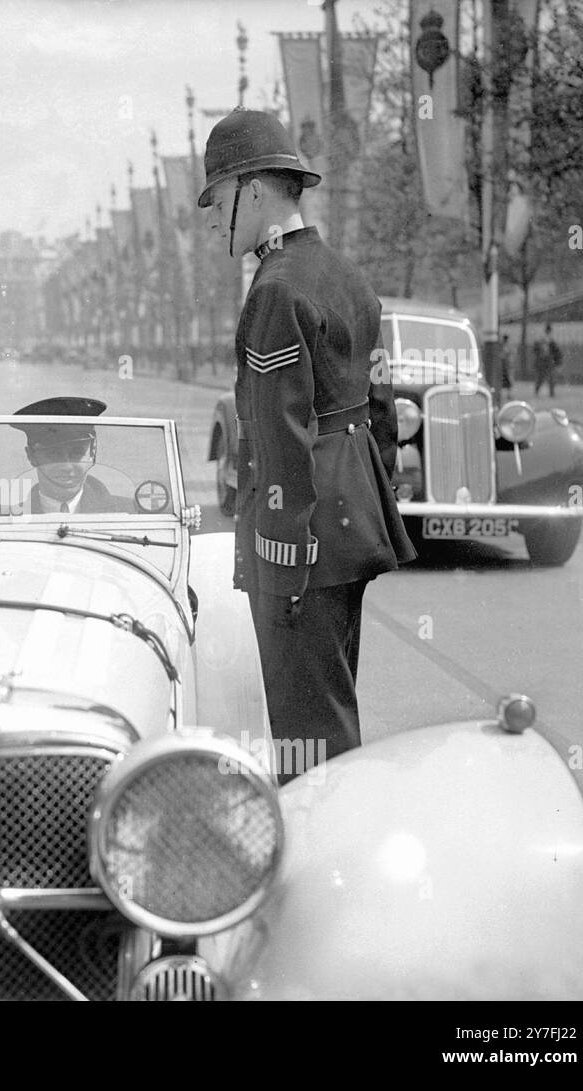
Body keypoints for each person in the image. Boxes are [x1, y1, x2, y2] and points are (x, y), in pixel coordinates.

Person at [198, 108, 417, 783]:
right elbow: (379, 409)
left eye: (217, 201)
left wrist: (284, 559)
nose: (212, 220)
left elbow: (278, 436)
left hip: (303, 538)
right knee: (331, 707)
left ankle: (327, 867)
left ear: (254, 190)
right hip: (351, 523)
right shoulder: (344, 275)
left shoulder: (276, 290)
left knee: (305, 734)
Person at [10, 396, 130, 514]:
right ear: (31, 456)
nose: (66, 467)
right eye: (53, 454)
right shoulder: (9, 521)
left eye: (77, 453)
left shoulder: (129, 514)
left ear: (93, 451)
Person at [533, 324, 562, 397]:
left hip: (544, 361)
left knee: (542, 378)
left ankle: (539, 391)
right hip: (547, 361)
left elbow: (536, 350)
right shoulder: (549, 340)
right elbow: (556, 352)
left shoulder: (542, 339)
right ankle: (549, 393)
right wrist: (557, 361)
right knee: (548, 378)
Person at [499, 334, 514, 400]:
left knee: (508, 382)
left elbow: (510, 356)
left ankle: (508, 395)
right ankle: (504, 395)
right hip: (504, 368)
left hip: (506, 367)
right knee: (504, 382)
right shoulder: (503, 346)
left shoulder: (507, 346)